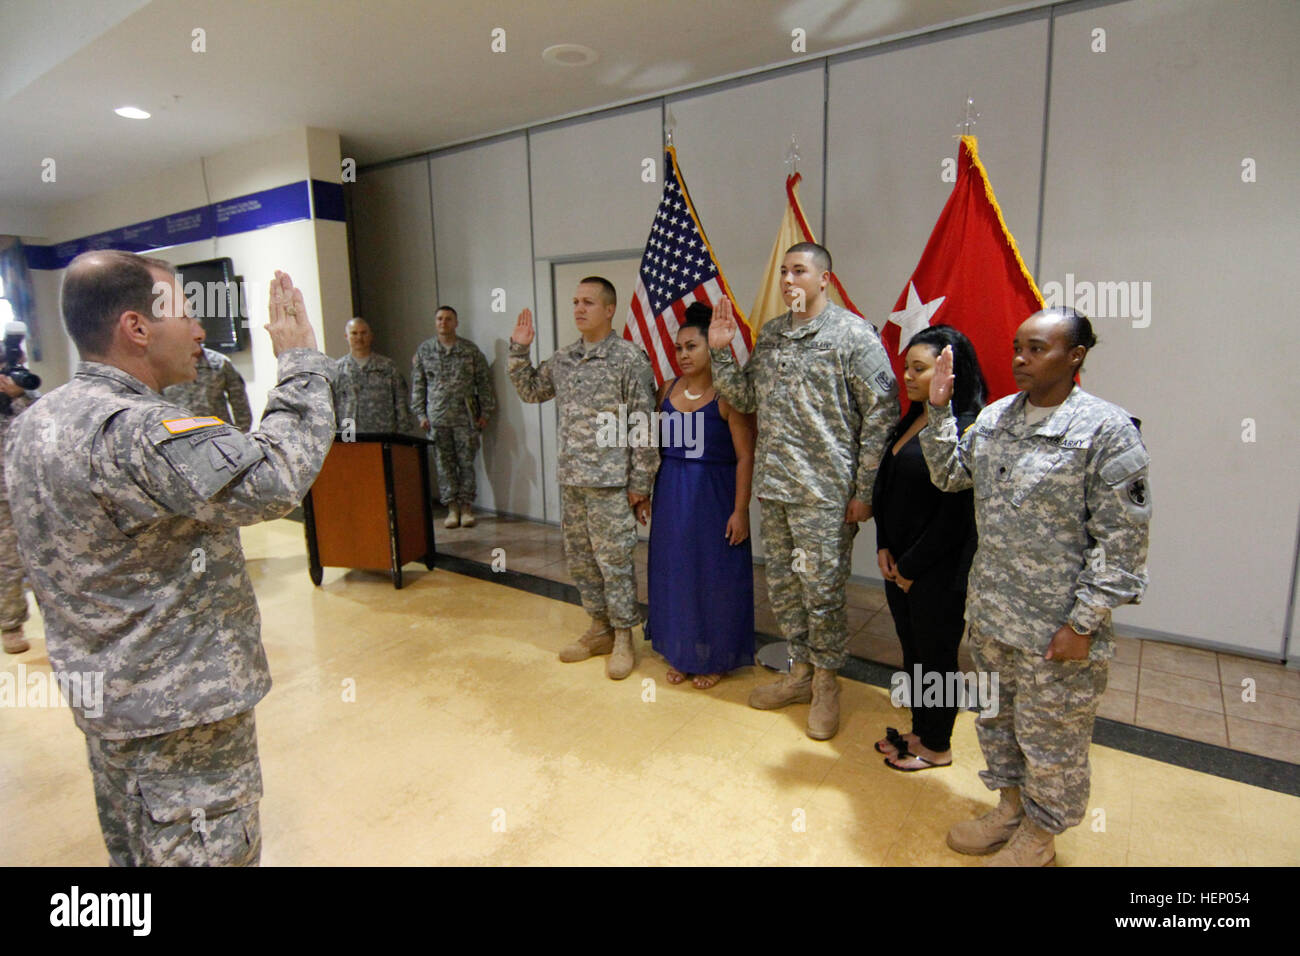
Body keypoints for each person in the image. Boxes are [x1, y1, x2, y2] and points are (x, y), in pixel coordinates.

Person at [6, 251, 335, 866]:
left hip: (109, 709)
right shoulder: (139, 430)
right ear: (136, 328)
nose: (197, 329)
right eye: (185, 313)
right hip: (181, 719)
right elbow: (275, 479)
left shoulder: (36, 422)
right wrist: (300, 364)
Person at [920, 307, 1151, 866]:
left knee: (1052, 741)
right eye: (1018, 347)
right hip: (995, 616)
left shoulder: (1106, 430)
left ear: (1076, 357)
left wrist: (1082, 624)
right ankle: (1008, 808)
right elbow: (950, 475)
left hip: (1057, 630)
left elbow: (1123, 543)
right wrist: (938, 410)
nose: (1021, 359)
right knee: (998, 725)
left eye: (1038, 349)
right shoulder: (997, 417)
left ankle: (1040, 837)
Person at [708, 242, 899, 739]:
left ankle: (828, 683)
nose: (789, 280)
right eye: (784, 272)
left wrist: (864, 491)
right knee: (787, 591)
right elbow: (745, 398)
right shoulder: (771, 336)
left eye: (799, 271)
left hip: (825, 494)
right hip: (776, 489)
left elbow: (881, 416)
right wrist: (721, 351)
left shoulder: (853, 336)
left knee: (823, 594)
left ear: (824, 281)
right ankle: (799, 673)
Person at [508, 277, 657, 680]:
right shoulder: (565, 358)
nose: (578, 308)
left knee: (615, 563)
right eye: (575, 301)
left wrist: (641, 484)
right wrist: (519, 350)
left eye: (588, 302)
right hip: (572, 479)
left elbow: (644, 425)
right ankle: (600, 627)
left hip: (611, 483)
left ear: (609, 310)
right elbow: (532, 391)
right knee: (581, 561)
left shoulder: (628, 359)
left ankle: (626, 634)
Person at [871, 325, 983, 771]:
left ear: (950, 371)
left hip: (936, 568)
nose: (908, 377)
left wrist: (912, 566)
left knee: (937, 657)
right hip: (899, 565)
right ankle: (919, 730)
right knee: (913, 651)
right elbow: (887, 486)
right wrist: (883, 546)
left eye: (919, 368)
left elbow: (957, 514)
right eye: (906, 367)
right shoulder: (913, 416)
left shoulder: (968, 427)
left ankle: (938, 745)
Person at [647, 303, 756, 689]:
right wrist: (643, 493)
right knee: (676, 574)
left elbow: (745, 456)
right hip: (671, 494)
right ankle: (682, 651)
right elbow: (651, 450)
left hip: (714, 495)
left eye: (692, 346)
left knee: (715, 577)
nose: (683, 355)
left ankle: (717, 655)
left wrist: (740, 510)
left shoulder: (727, 396)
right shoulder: (665, 390)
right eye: (678, 348)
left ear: (711, 347)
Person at [411, 305, 496, 528]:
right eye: (439, 319)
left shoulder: (470, 351)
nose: (443, 323)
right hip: (437, 419)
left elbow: (484, 384)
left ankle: (466, 507)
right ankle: (452, 508)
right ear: (435, 322)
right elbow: (419, 385)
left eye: (448, 319)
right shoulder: (425, 351)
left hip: (465, 418)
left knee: (466, 463)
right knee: (444, 464)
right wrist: (420, 413)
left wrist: (485, 412)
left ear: (456, 323)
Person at [0, 348, 39, 655]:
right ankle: (11, 625)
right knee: (9, 563)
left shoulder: (21, 398)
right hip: (2, 494)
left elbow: (43, 423)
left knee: (47, 559)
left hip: (31, 487)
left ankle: (61, 624)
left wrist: (19, 396)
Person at [332, 316, 416, 434]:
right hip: (349, 434)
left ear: (371, 336)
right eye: (354, 333)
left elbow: (400, 399)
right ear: (346, 336)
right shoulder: (337, 369)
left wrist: (403, 431)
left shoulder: (388, 367)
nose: (359, 337)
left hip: (382, 432)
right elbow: (331, 405)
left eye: (363, 333)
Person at [161, 332, 253, 431]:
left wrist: (241, 436)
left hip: (217, 434)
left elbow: (240, 405)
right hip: (181, 436)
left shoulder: (219, 363)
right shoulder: (166, 366)